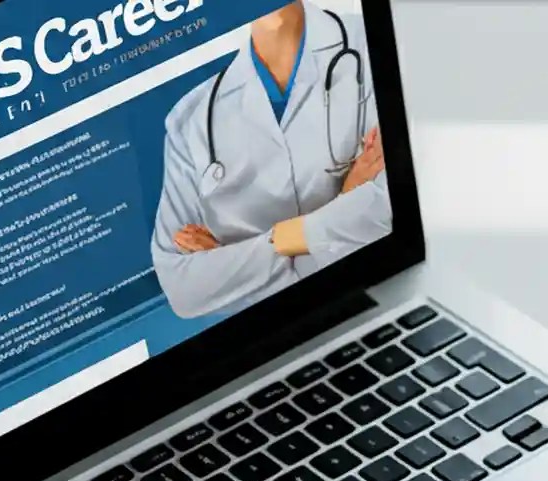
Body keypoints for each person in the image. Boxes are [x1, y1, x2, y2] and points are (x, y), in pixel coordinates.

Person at [150, 0, 391, 319]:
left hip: (382, 291)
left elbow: (389, 205)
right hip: (275, 336)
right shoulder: (190, 121)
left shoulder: (369, 40)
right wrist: (344, 202)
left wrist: (233, 259)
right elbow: (183, 288)